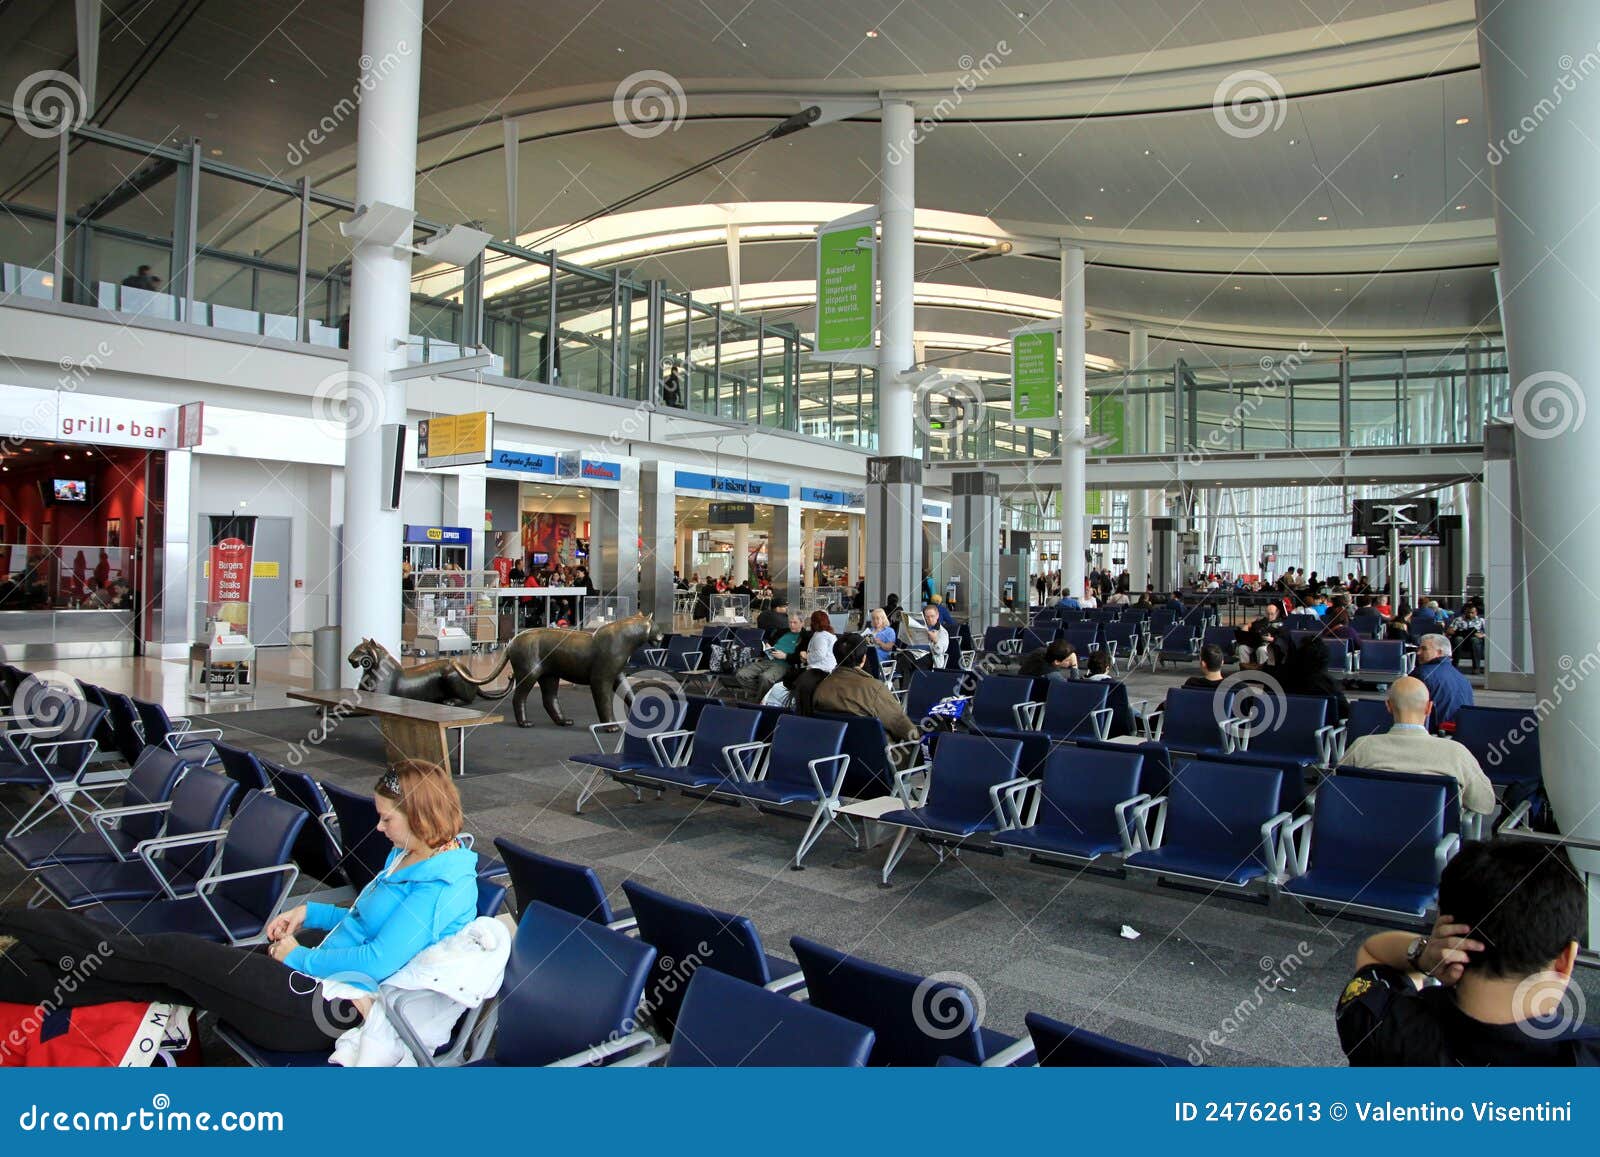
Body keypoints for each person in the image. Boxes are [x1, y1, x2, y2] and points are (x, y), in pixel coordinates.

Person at [0, 761, 479, 1055]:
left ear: (419, 817)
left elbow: (377, 961)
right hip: (317, 978)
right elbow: (364, 919)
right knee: (157, 971)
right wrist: (310, 914)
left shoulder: (440, 887)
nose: (377, 828)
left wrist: (297, 956)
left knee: (170, 956)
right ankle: (18, 969)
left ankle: (14, 925)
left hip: (324, 1011)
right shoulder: (410, 853)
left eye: (385, 818)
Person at [1336, 839, 1599, 1065]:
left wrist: (1423, 955)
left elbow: (1373, 952)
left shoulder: (1378, 1025)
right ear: (1566, 959)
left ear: (1446, 929)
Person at [1335, 676, 1494, 814]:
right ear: (1429, 708)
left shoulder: (1362, 746)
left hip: (1364, 839)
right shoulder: (1455, 752)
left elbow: (1337, 794)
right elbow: (1485, 804)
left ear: (1388, 707)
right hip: (1434, 845)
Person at [812, 633, 918, 742]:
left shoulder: (822, 687)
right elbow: (904, 728)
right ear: (864, 659)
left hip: (836, 754)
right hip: (880, 755)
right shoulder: (874, 688)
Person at [734, 611, 804, 698]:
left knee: (765, 678)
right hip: (767, 659)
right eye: (790, 622)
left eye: (795, 622)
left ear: (802, 623)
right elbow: (770, 643)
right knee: (741, 674)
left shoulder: (804, 637)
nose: (792, 625)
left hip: (783, 664)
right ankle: (762, 695)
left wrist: (785, 656)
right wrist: (768, 646)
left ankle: (759, 700)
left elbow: (801, 658)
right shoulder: (782, 632)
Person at [1414, 633, 1473, 728]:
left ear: (1439, 652)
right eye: (1418, 649)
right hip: (1461, 731)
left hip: (1433, 733)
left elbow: (1407, 707)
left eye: (1424, 649)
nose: (1418, 653)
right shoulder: (1462, 678)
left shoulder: (1421, 674)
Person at [1446, 603, 1486, 673]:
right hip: (1462, 640)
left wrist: (1482, 635)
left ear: (1476, 612)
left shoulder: (1481, 621)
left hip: (1474, 640)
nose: (1470, 614)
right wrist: (1462, 632)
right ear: (1465, 612)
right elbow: (1449, 631)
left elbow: (1487, 633)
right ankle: (1455, 666)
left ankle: (1476, 668)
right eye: (1468, 612)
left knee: (1475, 640)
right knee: (1458, 639)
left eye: (1472, 613)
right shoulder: (1458, 619)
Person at [803, 609, 838, 674]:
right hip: (830, 668)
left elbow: (820, 654)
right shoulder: (829, 633)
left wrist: (806, 656)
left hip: (820, 670)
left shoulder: (821, 636)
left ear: (814, 623)